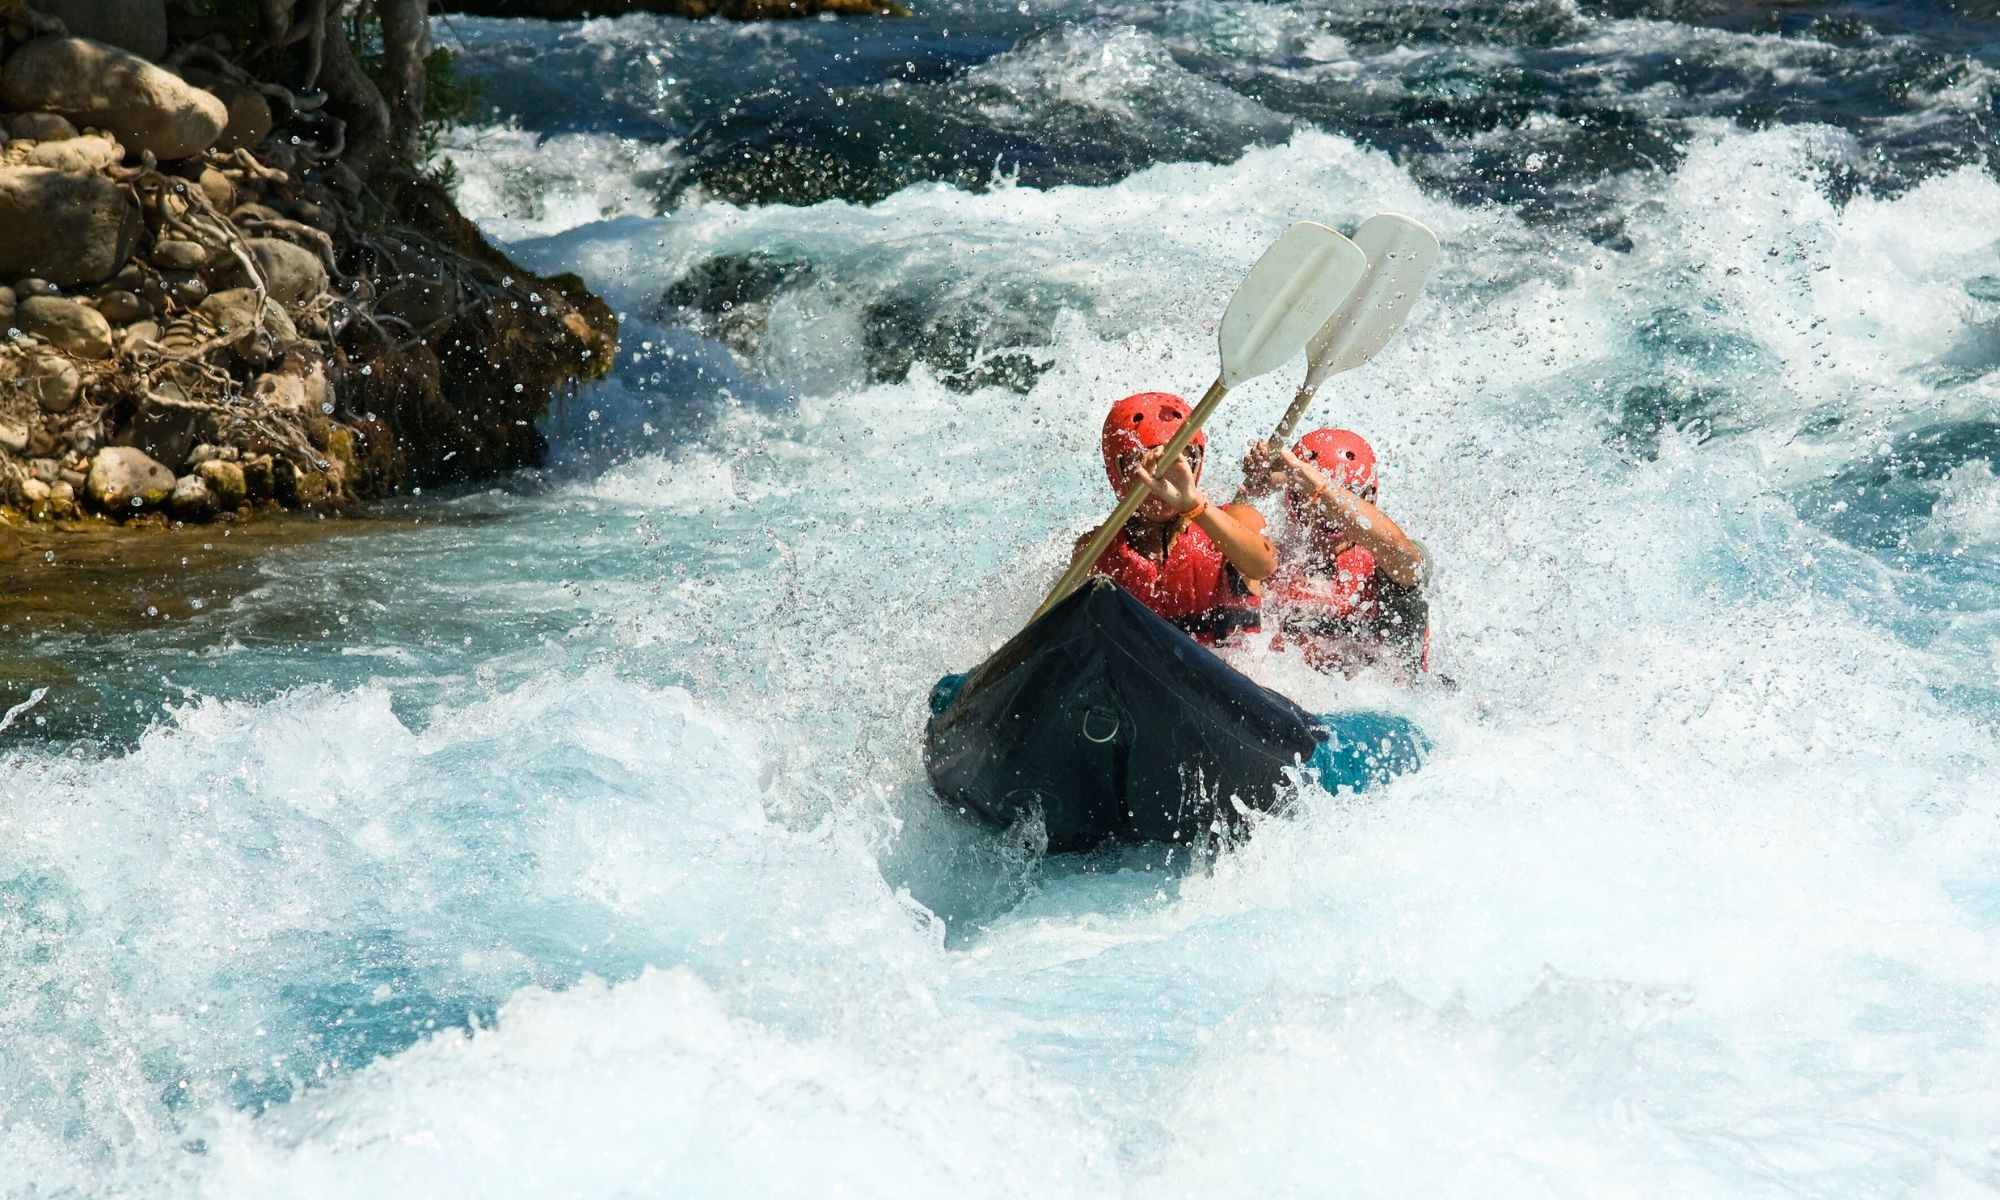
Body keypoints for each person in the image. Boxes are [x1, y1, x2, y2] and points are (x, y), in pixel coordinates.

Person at [1064, 392, 1277, 644]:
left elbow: (1263, 566)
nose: (1159, 480)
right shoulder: (1096, 551)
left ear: (1195, 464)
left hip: (1236, 671)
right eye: (1137, 465)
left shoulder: (1237, 518)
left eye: (1175, 461)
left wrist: (1194, 505)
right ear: (1116, 474)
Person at [1241, 428, 1431, 680]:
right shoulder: (1266, 556)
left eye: (1345, 496)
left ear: (1368, 499)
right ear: (1294, 502)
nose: (1329, 514)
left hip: (1384, 709)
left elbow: (1400, 555)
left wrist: (1300, 475)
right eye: (1310, 499)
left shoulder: (1391, 561)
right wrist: (1255, 490)